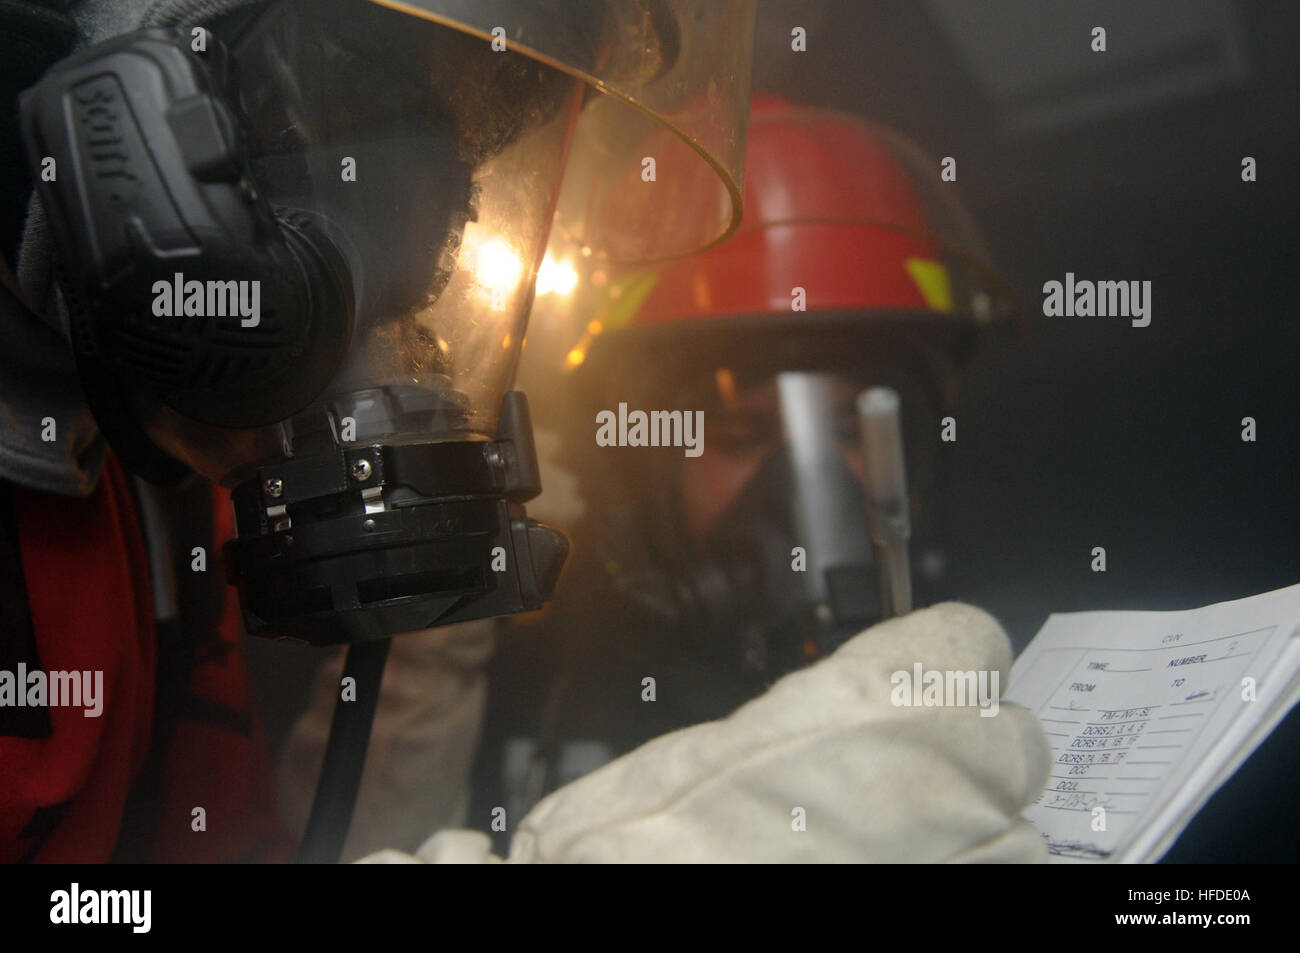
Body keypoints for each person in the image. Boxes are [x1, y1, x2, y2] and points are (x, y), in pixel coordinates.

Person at [0, 0, 754, 862]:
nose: (411, 236)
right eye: (357, 87)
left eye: (466, 140)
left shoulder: (160, 510)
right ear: (112, 104)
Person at [449, 96, 1045, 861]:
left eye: (850, 430)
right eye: (737, 433)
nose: (806, 487)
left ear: (919, 454)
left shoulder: (1008, 694)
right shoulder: (525, 674)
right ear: (641, 470)